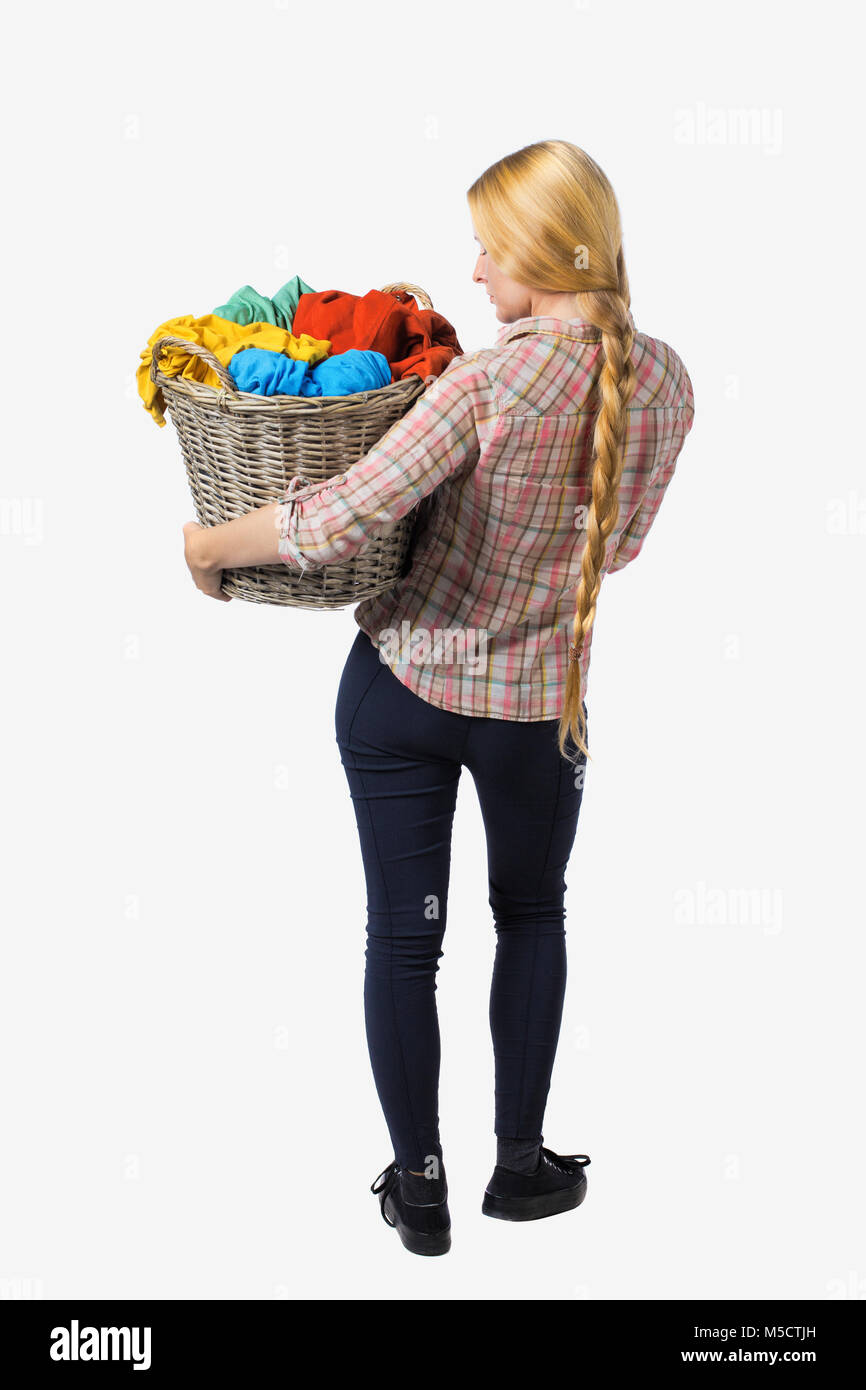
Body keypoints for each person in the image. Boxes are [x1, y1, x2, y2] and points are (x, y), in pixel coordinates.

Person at [182, 139, 696, 1258]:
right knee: (533, 916)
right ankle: (519, 1167)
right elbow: (619, 550)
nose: (469, 272)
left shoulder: (483, 381)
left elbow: (330, 522)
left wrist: (205, 545)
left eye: (483, 246)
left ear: (540, 251)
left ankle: (417, 1187)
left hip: (402, 697)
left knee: (402, 943)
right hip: (536, 718)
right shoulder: (663, 380)